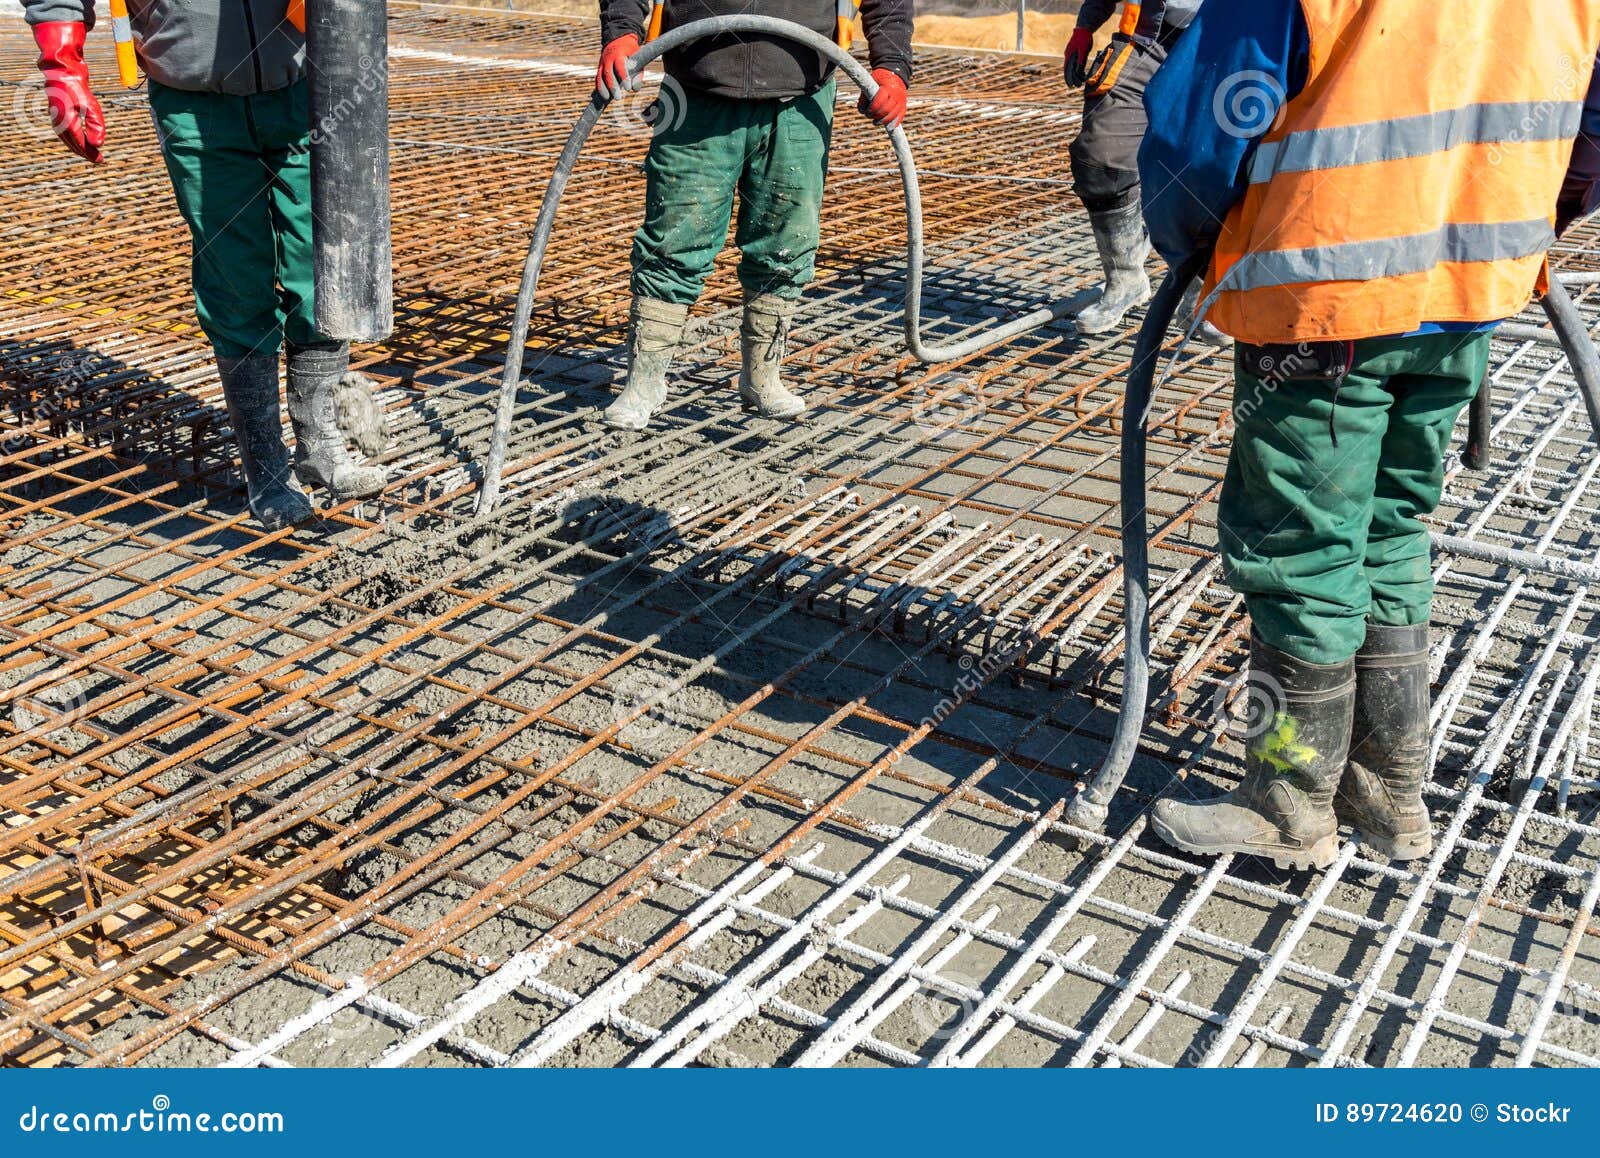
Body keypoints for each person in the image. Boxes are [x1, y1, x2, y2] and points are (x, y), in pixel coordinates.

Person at [1136, 0, 1600, 869]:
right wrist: (1521, 229)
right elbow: (1591, 132)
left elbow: (1196, 137)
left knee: (1304, 551)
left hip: (1328, 302)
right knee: (1391, 530)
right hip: (1468, 299)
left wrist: (1192, 241)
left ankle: (1287, 800)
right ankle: (1391, 799)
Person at [23, 0, 386, 531]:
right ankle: (265, 467)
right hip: (195, 102)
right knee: (236, 280)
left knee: (323, 264)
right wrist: (63, 65)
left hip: (308, 81)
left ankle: (321, 439)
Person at [594, 0, 913, 430]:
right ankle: (645, 379)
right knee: (673, 239)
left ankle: (763, 374)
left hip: (802, 97)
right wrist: (621, 34)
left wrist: (891, 66)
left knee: (786, 239)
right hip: (697, 91)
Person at [1061, 0, 1205, 336]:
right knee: (1100, 155)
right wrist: (1085, 27)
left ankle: (1203, 289)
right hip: (1147, 39)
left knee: (1214, 162)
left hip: (1227, 43)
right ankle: (1124, 277)